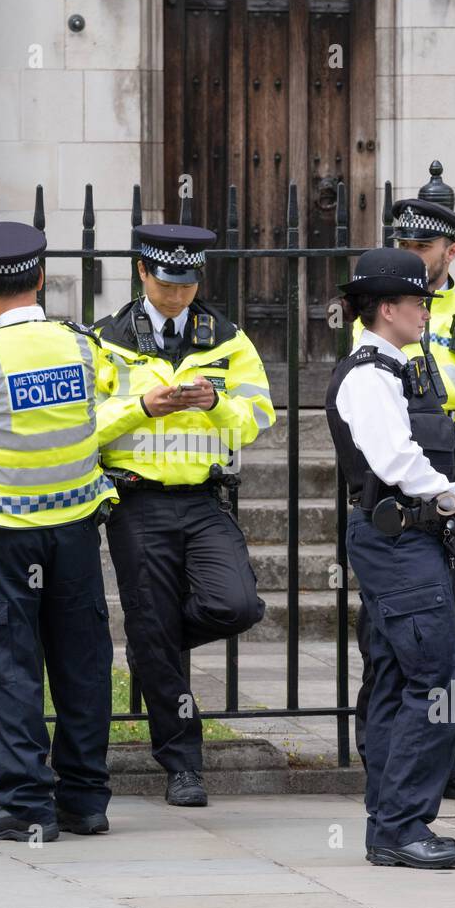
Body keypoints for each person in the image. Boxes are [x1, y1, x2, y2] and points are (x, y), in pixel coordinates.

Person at [0, 221, 118, 843]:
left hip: (5, 533)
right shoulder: (83, 346)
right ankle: (86, 799)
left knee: (9, 664)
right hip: (75, 528)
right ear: (39, 279)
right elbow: (108, 405)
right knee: (81, 660)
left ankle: (25, 805)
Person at [326, 248, 455, 869]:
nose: (427, 310)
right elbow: (397, 461)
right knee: (436, 682)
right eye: (418, 302)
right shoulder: (368, 375)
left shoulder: (411, 369)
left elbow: (452, 436)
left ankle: (391, 825)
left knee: (404, 679)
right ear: (388, 309)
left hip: (419, 541)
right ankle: (402, 825)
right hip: (396, 541)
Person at [93, 223, 272, 807]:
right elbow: (83, 424)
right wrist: (140, 406)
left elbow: (259, 415)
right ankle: (182, 764)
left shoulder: (225, 336)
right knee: (153, 624)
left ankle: (153, 647)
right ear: (143, 273)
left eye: (188, 283)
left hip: (202, 499)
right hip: (135, 500)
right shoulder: (106, 338)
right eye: (167, 283)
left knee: (237, 603)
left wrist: (218, 404)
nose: (178, 294)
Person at [351, 197, 455, 805]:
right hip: (406, 500)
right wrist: (454, 386)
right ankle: (383, 758)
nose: (413, 256)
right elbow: (446, 390)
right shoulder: (380, 304)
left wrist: (441, 384)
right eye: (406, 246)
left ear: (452, 252)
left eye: (424, 248)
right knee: (389, 640)